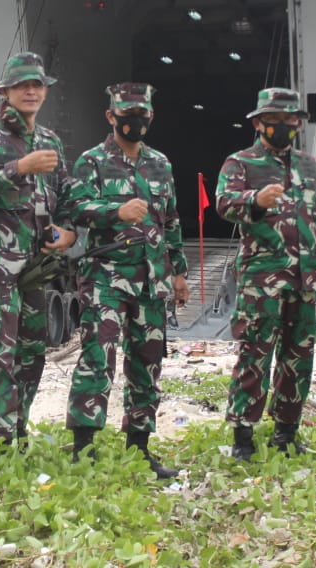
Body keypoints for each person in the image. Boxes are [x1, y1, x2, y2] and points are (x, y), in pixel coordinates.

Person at [65, 83, 189, 478]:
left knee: (148, 361)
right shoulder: (92, 161)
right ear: (111, 117)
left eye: (143, 115)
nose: (135, 121)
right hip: (107, 276)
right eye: (128, 115)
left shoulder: (160, 163)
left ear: (151, 117)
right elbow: (75, 208)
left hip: (152, 279)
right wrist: (115, 211)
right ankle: (83, 449)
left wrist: (180, 271)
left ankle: (139, 448)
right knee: (98, 357)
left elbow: (171, 220)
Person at [215, 88, 316, 460]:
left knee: (299, 356)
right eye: (276, 120)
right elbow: (224, 204)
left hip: (306, 279)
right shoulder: (240, 163)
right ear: (258, 123)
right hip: (262, 280)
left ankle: (286, 433)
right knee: (254, 354)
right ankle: (243, 436)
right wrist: (254, 202)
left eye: (292, 121)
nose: (285, 127)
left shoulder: (312, 166)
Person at [0, 52, 78, 443]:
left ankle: (19, 432)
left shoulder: (50, 140)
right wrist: (19, 168)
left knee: (31, 354)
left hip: (37, 268)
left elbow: (65, 196)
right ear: (5, 91)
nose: (31, 91)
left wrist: (70, 231)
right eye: (22, 85)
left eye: (37, 85)